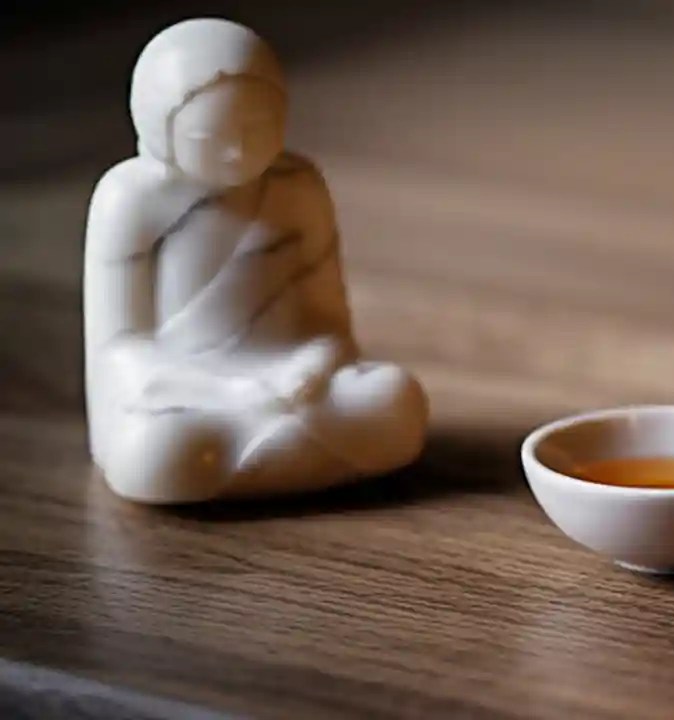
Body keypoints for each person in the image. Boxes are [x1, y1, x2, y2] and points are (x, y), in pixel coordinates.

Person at [84, 18, 428, 503]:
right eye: (209, 138)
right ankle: (276, 455)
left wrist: (310, 367)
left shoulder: (299, 186)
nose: (237, 152)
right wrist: (234, 393)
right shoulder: (131, 201)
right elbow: (120, 351)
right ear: (161, 130)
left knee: (397, 401)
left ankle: (255, 457)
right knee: (157, 454)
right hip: (189, 399)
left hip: (292, 382)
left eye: (258, 128)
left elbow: (330, 325)